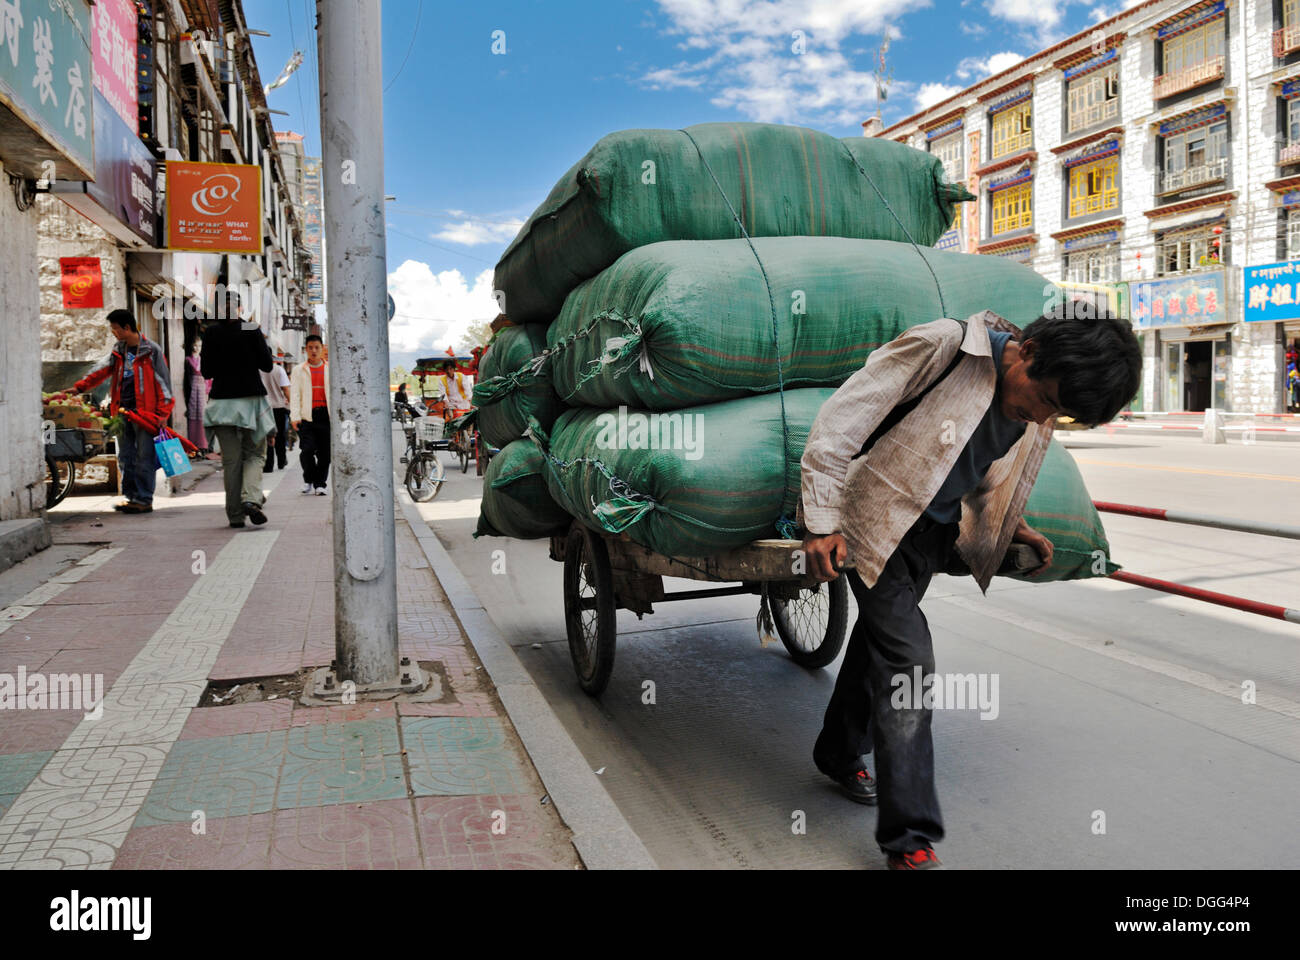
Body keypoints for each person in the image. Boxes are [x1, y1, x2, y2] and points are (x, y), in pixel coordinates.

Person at [799, 307, 1141, 870]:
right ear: (1027, 350)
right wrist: (820, 522)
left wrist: (1014, 524)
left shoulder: (1032, 402)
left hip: (931, 536)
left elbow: (979, 466)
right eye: (1047, 398)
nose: (1042, 415)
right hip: (874, 521)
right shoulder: (946, 348)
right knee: (909, 664)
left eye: (1059, 413)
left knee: (880, 646)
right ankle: (908, 840)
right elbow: (842, 421)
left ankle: (837, 751)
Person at [74, 309, 174, 514]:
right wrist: (79, 388)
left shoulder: (151, 351)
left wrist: (163, 413)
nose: (113, 333)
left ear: (127, 328)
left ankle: (144, 499)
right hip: (121, 412)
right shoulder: (118, 350)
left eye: (115, 329)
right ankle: (131, 497)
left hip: (145, 414)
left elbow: (164, 384)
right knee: (125, 457)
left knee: (144, 457)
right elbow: (101, 371)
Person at [200, 292, 275, 528]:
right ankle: (251, 500)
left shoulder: (211, 332)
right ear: (240, 308)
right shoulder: (250, 328)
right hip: (251, 403)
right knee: (254, 454)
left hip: (221, 406)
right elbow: (267, 364)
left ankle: (234, 516)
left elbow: (206, 371)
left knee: (231, 461)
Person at [290, 334, 331, 495]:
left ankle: (320, 484)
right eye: (310, 348)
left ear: (322, 349)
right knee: (307, 450)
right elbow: (295, 395)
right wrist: (295, 417)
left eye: (317, 348)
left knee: (325, 454)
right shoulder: (298, 370)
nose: (314, 351)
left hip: (325, 417)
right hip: (307, 417)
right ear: (306, 349)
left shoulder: (329, 369)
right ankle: (309, 479)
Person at [261, 351, 292, 471]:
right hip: (278, 407)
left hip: (263, 408)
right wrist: (293, 406)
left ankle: (268, 465)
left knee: (266, 435)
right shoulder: (279, 370)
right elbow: (286, 389)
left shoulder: (257, 370)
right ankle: (281, 461)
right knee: (280, 436)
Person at [183, 339, 207, 455]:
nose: (197, 348)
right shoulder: (188, 360)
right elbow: (186, 377)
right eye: (196, 345)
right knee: (192, 414)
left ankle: (202, 445)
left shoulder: (203, 359)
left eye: (200, 346)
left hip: (202, 387)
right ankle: (192, 443)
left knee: (202, 414)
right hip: (193, 387)